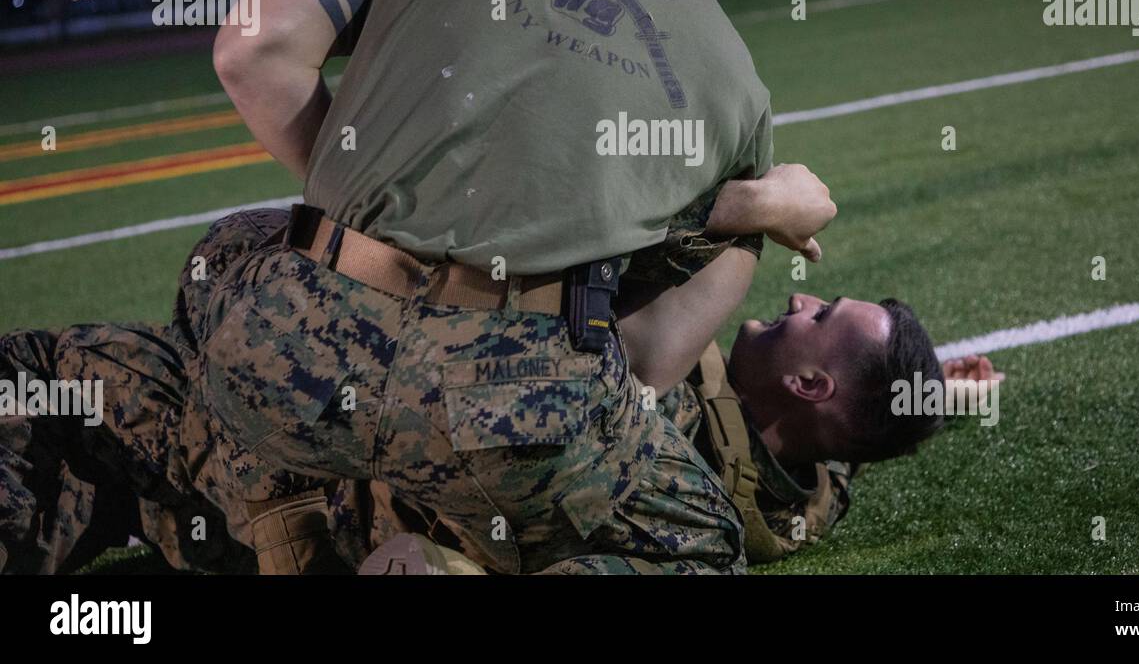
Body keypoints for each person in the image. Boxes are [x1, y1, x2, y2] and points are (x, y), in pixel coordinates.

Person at [202, 0, 838, 574]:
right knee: (700, 541)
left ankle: (284, 522)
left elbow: (252, 46)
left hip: (282, 355)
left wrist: (361, 213)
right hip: (500, 409)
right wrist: (757, 203)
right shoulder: (738, 86)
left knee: (230, 253)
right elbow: (650, 361)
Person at [1, 209, 996, 574]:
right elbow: (830, 456)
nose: (804, 291)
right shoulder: (804, 484)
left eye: (823, 313)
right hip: (259, 461)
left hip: (268, 467)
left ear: (812, 377)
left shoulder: (672, 476)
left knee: (43, 389)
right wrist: (926, 393)